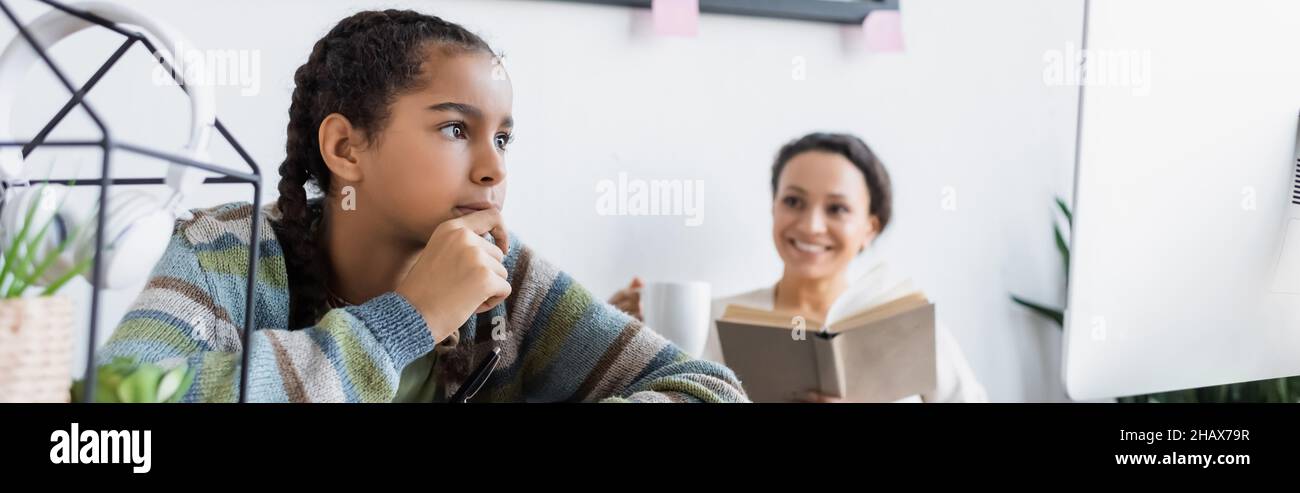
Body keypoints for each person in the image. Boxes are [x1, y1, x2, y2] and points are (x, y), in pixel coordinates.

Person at [97, 9, 747, 403]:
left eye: (503, 137)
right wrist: (405, 321)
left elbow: (713, 389)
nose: (494, 166)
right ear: (346, 147)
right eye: (456, 130)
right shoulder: (224, 254)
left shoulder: (507, 279)